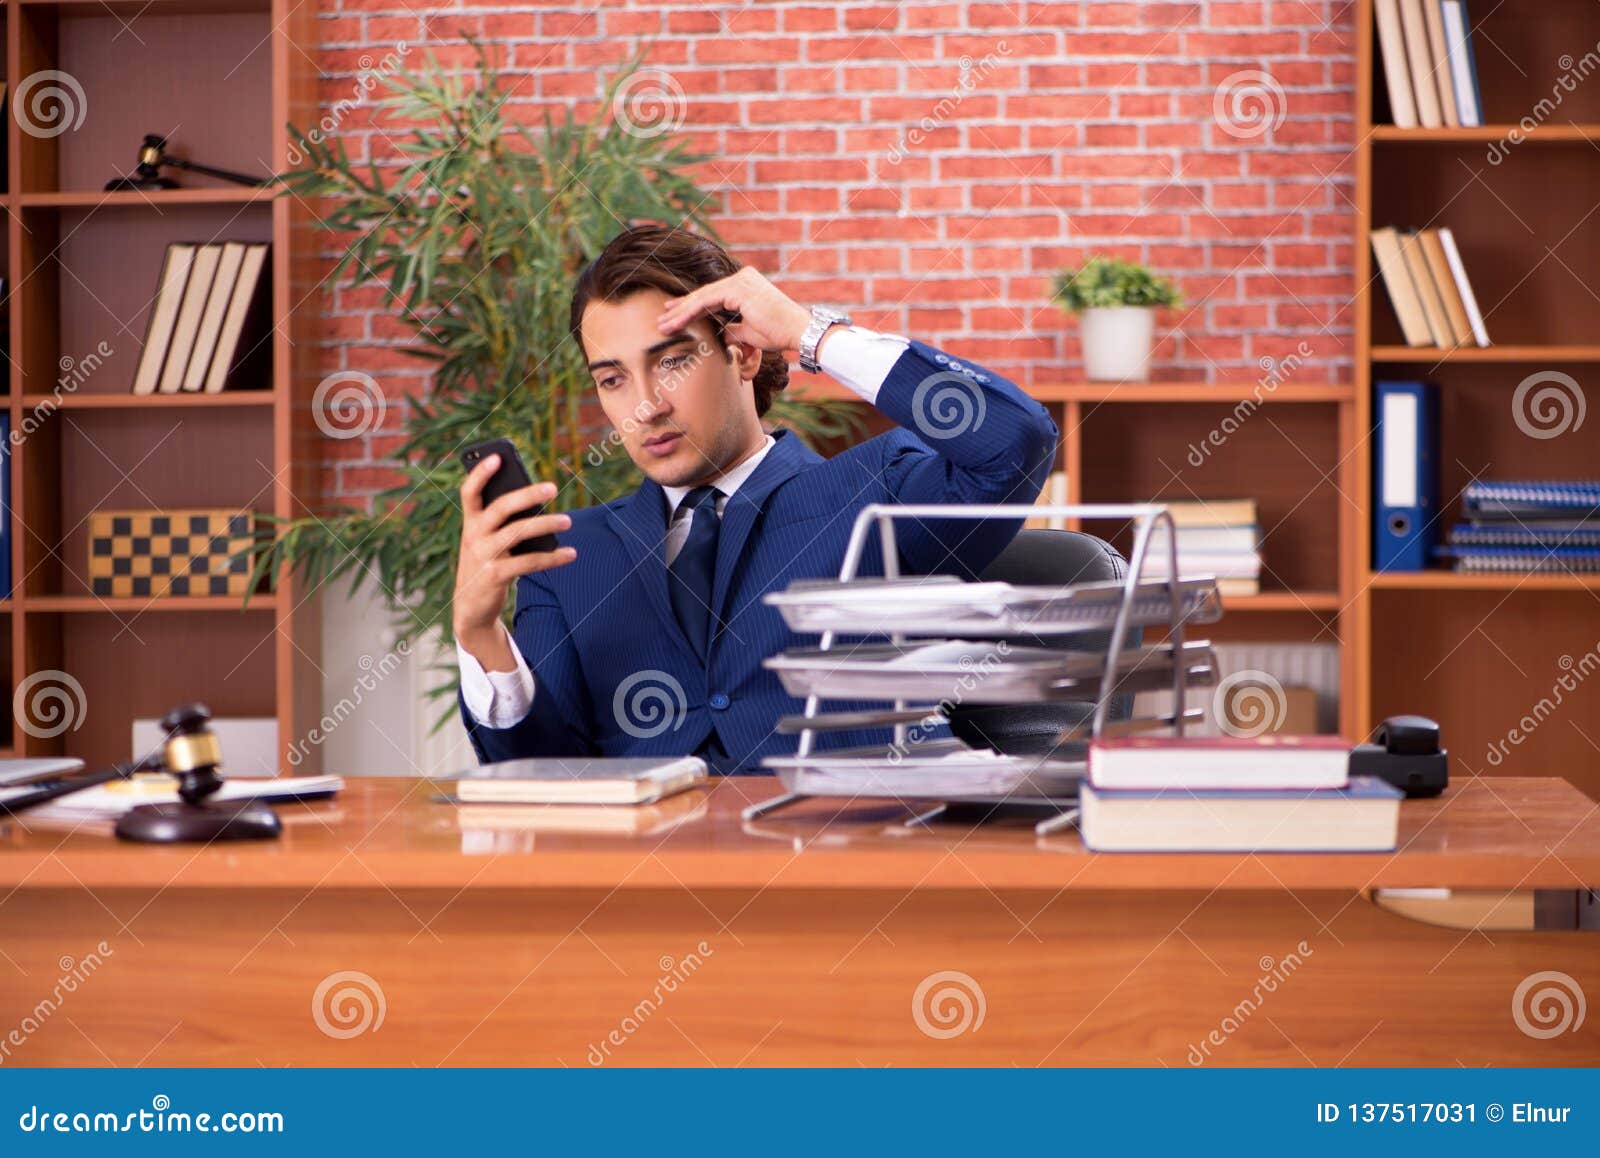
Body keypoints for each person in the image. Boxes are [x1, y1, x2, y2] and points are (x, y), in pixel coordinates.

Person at [454, 223, 1058, 773]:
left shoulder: (876, 496)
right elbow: (544, 778)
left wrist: (809, 332)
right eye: (613, 379)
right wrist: (479, 634)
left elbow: (1013, 441)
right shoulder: (567, 557)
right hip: (648, 878)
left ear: (742, 352)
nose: (646, 404)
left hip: (841, 866)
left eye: (672, 361)